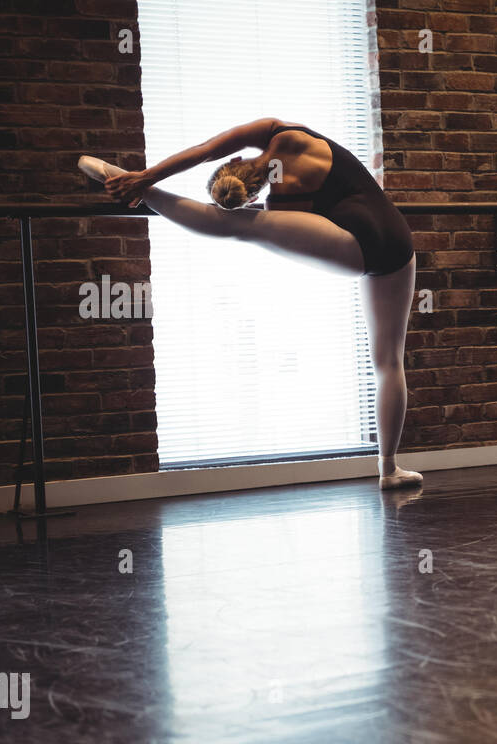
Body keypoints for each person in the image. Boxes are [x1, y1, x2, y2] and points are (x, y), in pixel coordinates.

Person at [79, 117, 421, 490]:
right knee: (389, 362)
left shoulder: (276, 204)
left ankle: (134, 187)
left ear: (251, 194)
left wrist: (143, 181)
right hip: (398, 243)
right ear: (237, 161)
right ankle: (389, 470)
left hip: (354, 248)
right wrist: (148, 173)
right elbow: (205, 150)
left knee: (242, 227)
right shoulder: (278, 129)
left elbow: (275, 223)